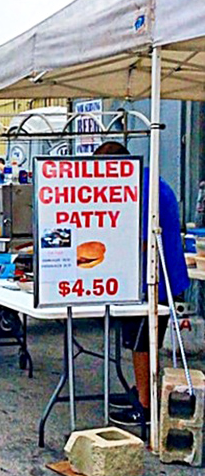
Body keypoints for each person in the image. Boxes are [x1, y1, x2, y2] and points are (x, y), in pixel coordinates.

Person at [93, 141, 190, 426]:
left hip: (157, 279)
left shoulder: (142, 188)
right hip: (155, 276)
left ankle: (145, 407)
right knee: (142, 339)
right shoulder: (146, 179)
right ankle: (140, 390)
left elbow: (143, 238)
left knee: (142, 342)